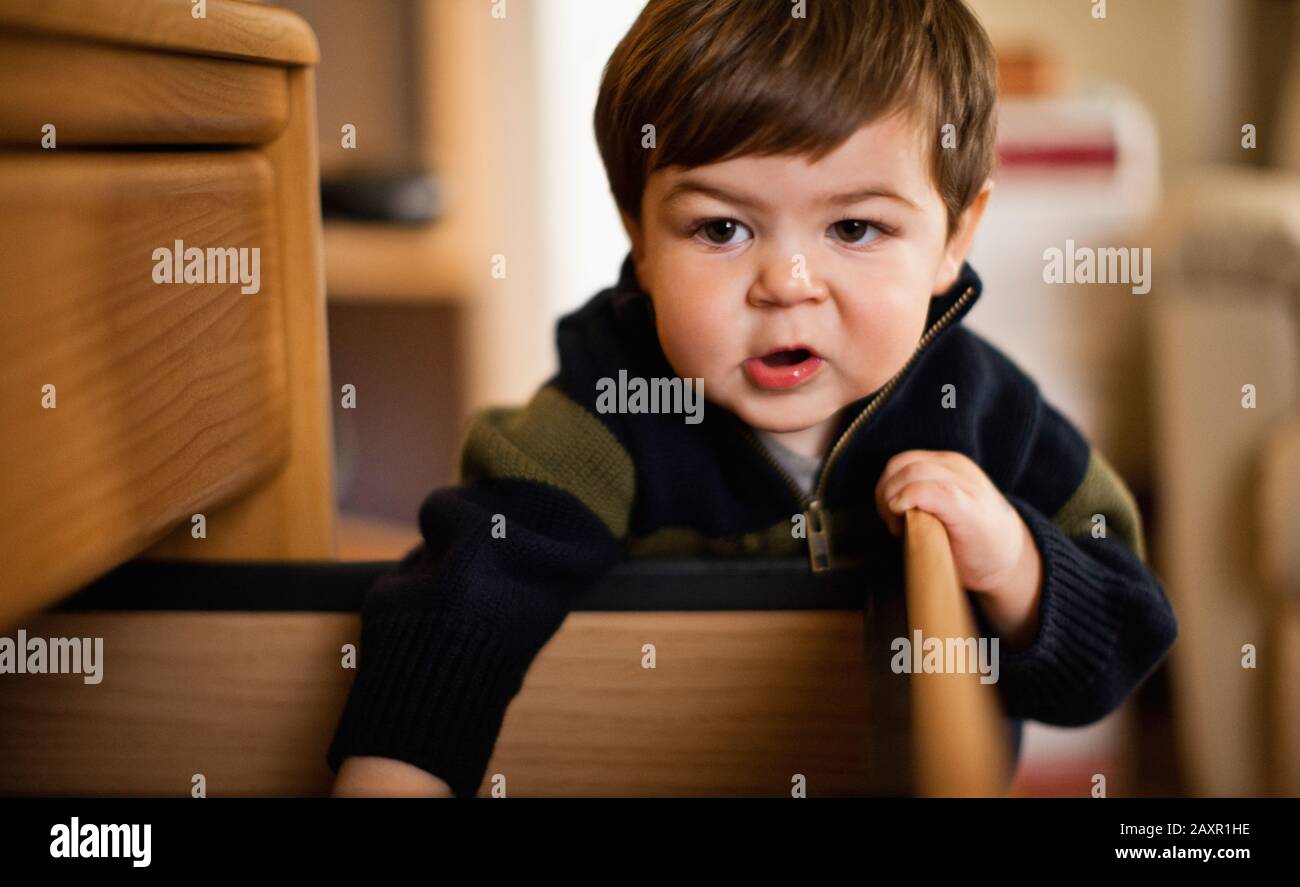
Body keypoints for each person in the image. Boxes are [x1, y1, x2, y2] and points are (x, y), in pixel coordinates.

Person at [329, 0, 1178, 798]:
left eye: (854, 228)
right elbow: (467, 591)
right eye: (721, 229)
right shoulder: (607, 412)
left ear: (954, 237)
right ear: (640, 234)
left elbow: (1125, 632)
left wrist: (1012, 565)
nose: (788, 283)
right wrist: (399, 771)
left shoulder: (988, 412)